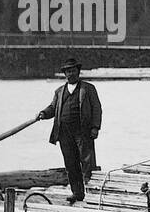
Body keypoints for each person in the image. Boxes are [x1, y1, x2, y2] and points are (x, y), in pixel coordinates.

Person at [36, 57, 102, 203]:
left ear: (78, 72)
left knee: (88, 164)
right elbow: (53, 108)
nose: (70, 74)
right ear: (65, 74)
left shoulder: (88, 88)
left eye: (73, 71)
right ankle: (77, 193)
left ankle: (92, 193)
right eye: (68, 71)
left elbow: (97, 109)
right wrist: (44, 113)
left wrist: (95, 127)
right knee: (71, 165)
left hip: (83, 132)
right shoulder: (59, 91)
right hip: (64, 133)